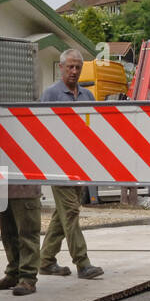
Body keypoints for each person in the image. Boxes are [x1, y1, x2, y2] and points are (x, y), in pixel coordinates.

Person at [38, 49, 105, 279]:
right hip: (58, 165)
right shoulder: (51, 94)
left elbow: (94, 130)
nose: (74, 71)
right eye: (70, 67)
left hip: (81, 165)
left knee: (63, 214)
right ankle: (82, 262)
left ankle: (45, 261)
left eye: (78, 67)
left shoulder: (87, 96)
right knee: (71, 213)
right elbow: (41, 130)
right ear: (61, 67)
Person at [0, 183, 41, 295]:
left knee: (28, 235)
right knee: (8, 235)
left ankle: (28, 278)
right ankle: (13, 274)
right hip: (3, 189)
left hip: (25, 189)